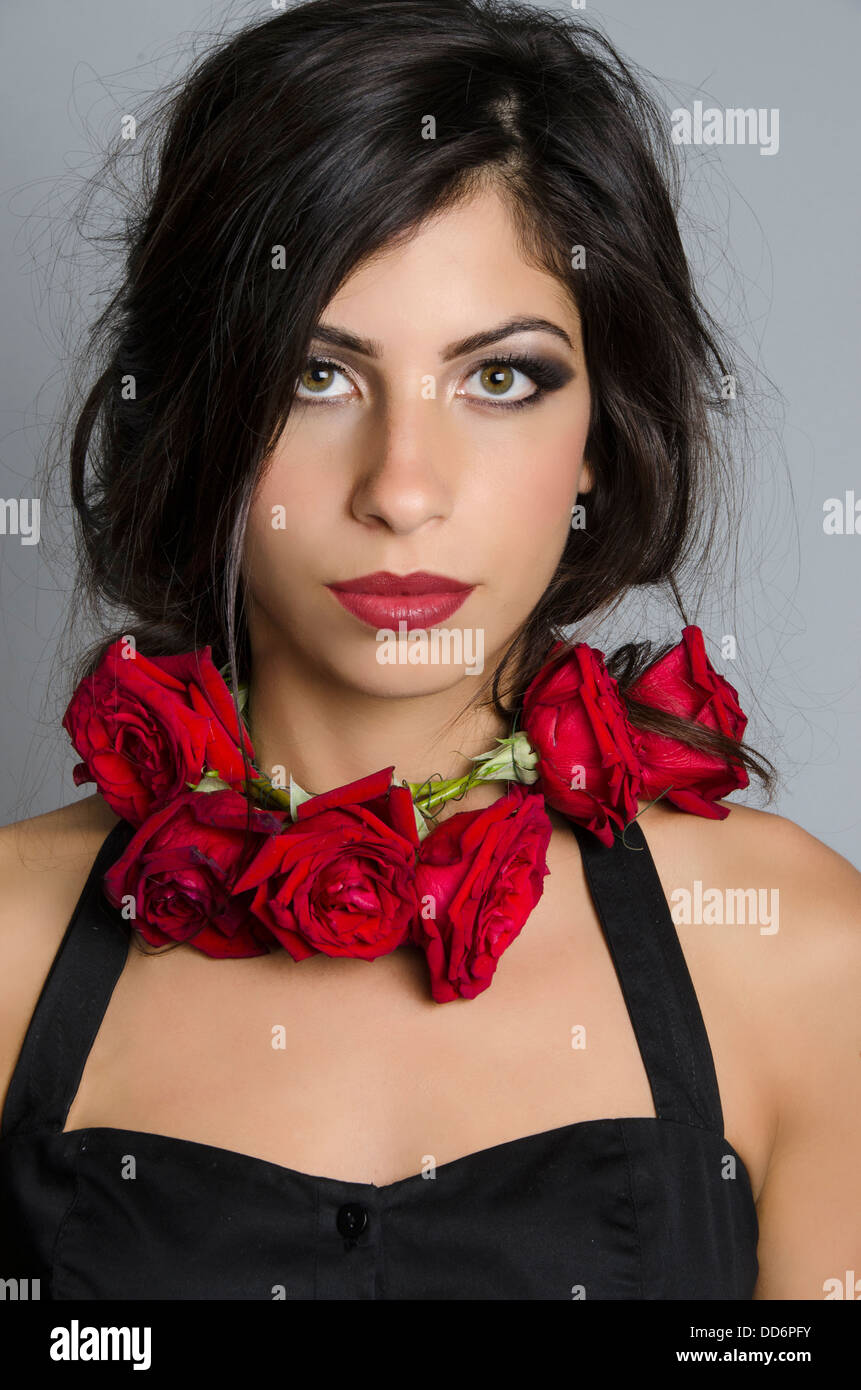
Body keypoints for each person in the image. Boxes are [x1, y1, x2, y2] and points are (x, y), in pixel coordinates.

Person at [0, 0, 857, 1301]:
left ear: (599, 432)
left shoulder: (804, 956)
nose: (401, 488)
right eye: (315, 374)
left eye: (499, 378)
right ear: (199, 412)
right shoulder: (7, 948)